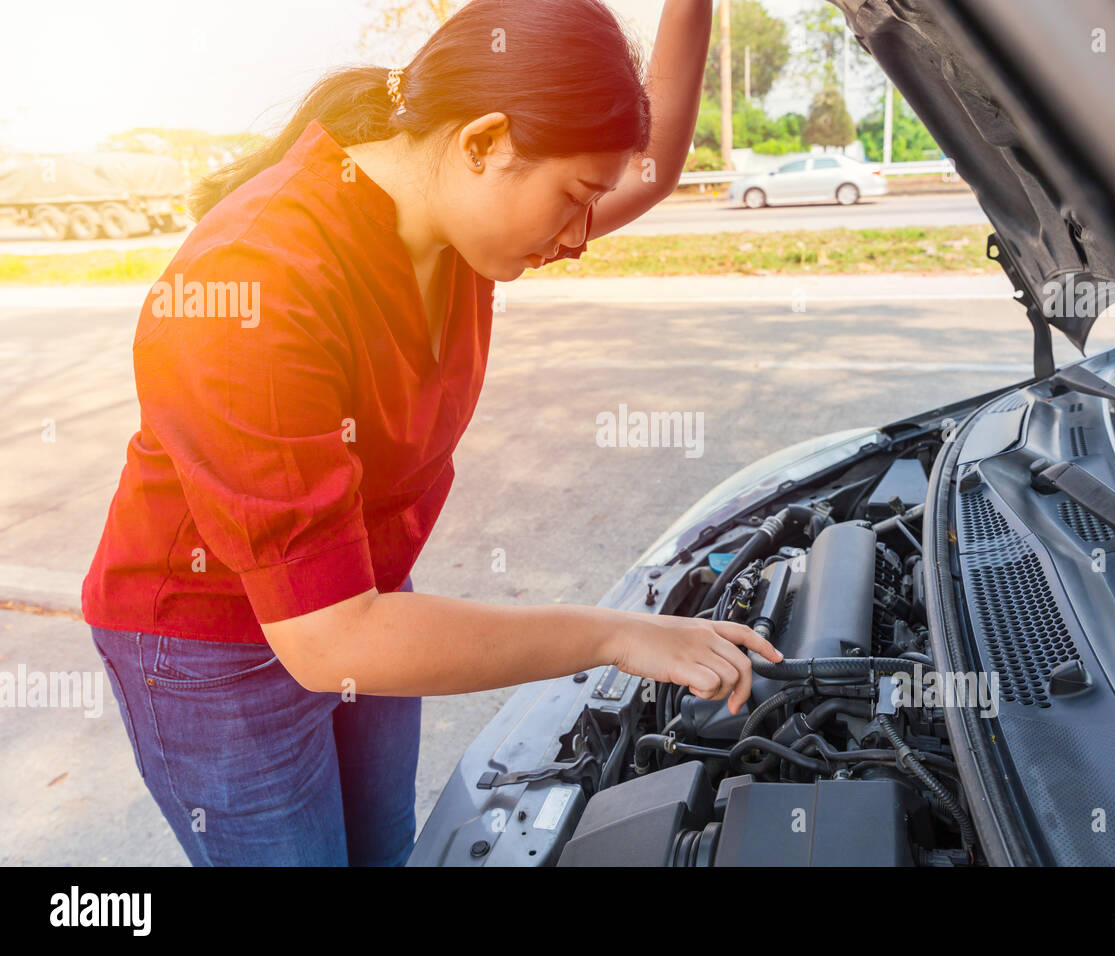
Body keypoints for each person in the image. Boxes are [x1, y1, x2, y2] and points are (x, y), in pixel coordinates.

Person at [81, 0, 781, 867]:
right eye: (574, 199)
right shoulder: (255, 286)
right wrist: (616, 634)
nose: (579, 240)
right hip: (216, 645)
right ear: (483, 141)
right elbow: (330, 640)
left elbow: (657, 161)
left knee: (386, 854)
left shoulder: (452, 222)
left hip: (363, 596)